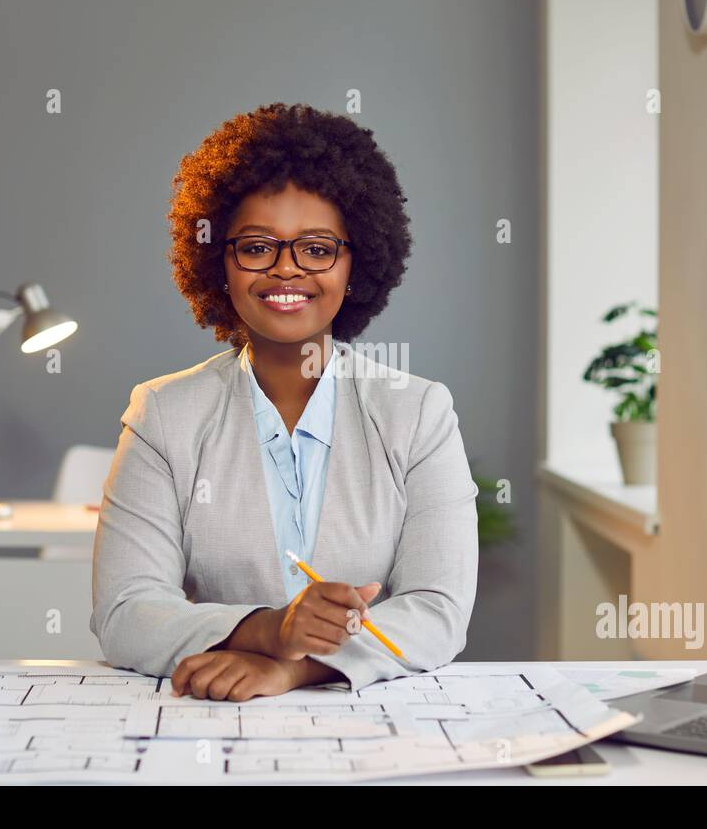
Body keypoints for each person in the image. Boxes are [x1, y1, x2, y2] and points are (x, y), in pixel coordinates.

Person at [91, 102, 478, 700]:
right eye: (256, 247)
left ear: (355, 265)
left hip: (373, 731)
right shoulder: (162, 415)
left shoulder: (418, 413)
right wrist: (271, 631)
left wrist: (294, 666)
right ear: (219, 262)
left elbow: (438, 610)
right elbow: (126, 611)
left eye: (317, 249)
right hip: (214, 721)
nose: (286, 270)